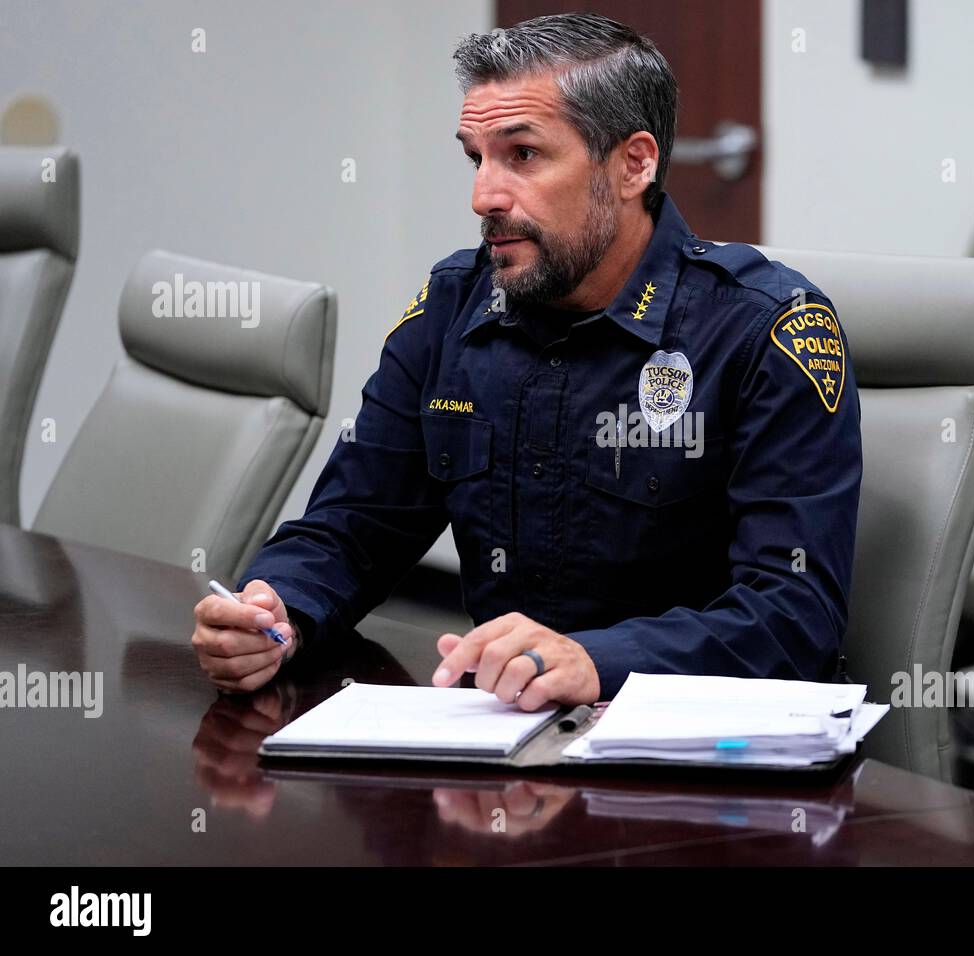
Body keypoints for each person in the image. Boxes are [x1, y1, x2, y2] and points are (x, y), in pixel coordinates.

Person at [191, 12, 862, 709]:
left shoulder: (760, 329)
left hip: (707, 767)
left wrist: (597, 660)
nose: (484, 197)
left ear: (634, 163)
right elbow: (352, 526)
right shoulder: (454, 308)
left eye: (523, 156)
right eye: (475, 158)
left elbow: (794, 617)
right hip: (510, 748)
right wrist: (276, 611)